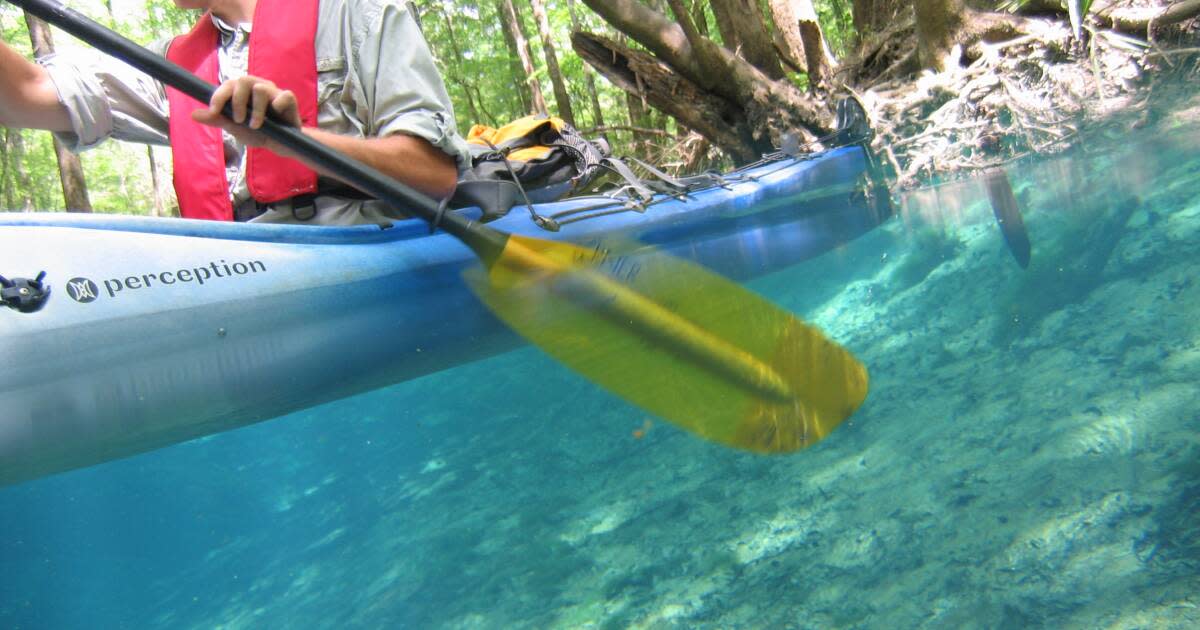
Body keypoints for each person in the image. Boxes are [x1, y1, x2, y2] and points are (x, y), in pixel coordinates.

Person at [0, 0, 470, 225]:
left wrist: (296, 141)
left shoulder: (357, 12)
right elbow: (28, 92)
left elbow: (433, 174)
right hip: (243, 270)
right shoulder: (174, 64)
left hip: (356, 253)